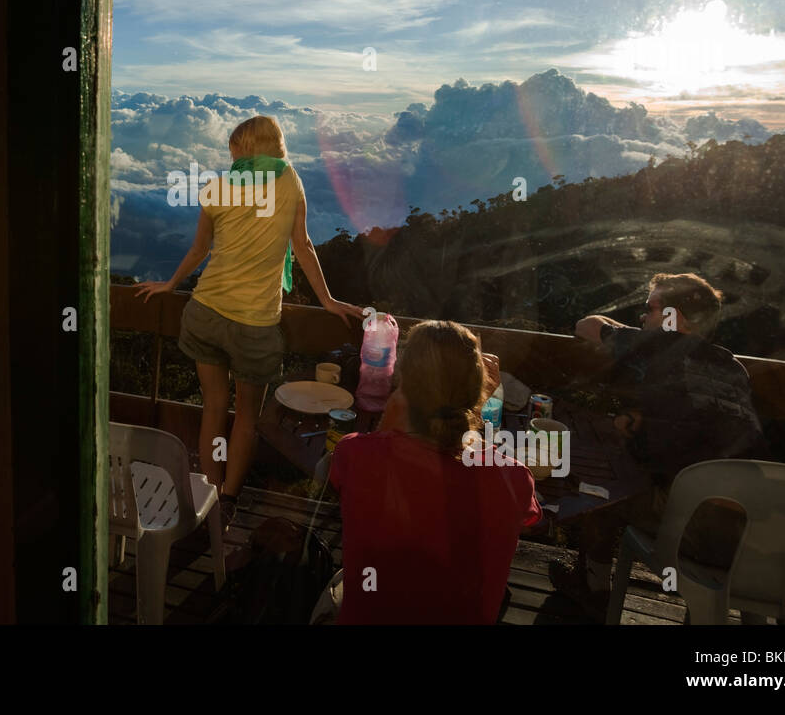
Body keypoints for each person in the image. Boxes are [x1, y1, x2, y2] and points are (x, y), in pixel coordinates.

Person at [135, 116, 363, 525]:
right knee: (245, 419)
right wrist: (326, 300)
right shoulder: (290, 180)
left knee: (212, 410)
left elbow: (199, 250)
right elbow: (303, 245)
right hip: (255, 326)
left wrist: (171, 283)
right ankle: (228, 501)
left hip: (204, 313)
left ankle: (207, 492)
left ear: (239, 150)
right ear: (275, 146)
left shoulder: (217, 188)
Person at [550, 272, 769, 618]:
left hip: (689, 526)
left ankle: (593, 586)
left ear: (674, 318)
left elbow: (586, 326)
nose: (642, 317)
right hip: (754, 534)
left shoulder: (651, 346)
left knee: (599, 475)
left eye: (650, 308)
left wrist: (627, 333)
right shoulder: (733, 366)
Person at [318, 320, 541, 624]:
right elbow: (523, 516)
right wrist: (474, 408)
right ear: (478, 390)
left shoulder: (355, 455)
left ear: (403, 387)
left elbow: (344, 470)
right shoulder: (514, 479)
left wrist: (396, 410)